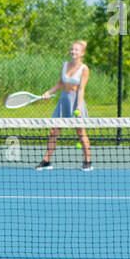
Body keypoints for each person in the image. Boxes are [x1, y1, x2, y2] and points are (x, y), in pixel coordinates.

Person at [35, 40, 92, 171]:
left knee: (80, 131)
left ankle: (88, 161)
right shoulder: (65, 65)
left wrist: (78, 106)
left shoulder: (84, 69)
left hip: (76, 101)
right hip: (63, 100)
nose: (73, 52)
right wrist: (48, 92)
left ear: (82, 53)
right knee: (54, 131)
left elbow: (81, 88)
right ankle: (46, 161)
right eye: (72, 49)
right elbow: (60, 83)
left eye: (76, 50)